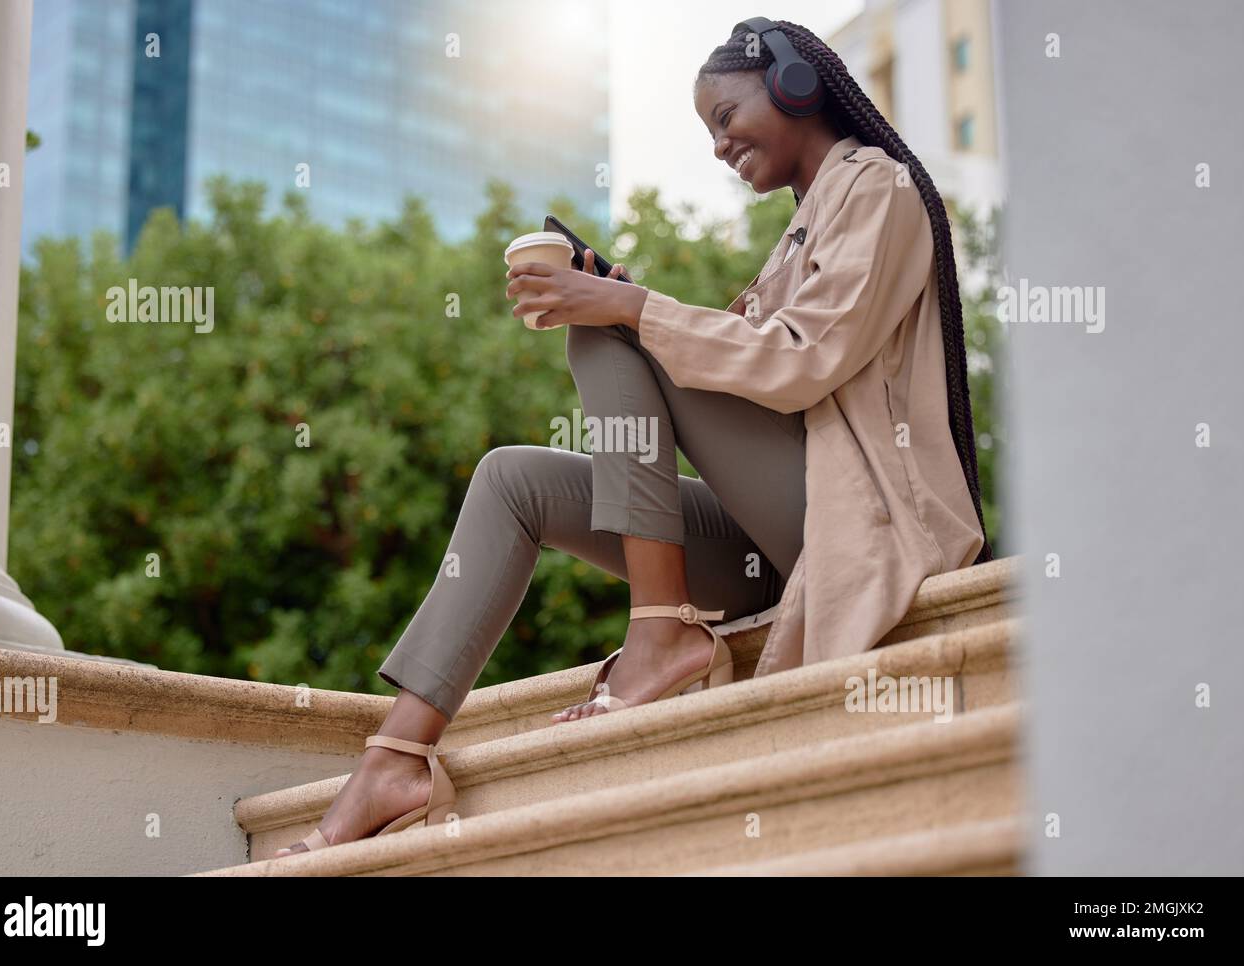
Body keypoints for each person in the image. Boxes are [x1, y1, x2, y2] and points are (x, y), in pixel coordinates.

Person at [275, 18, 990, 858]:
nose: (719, 145)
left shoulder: (879, 189)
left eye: (725, 117)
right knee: (514, 478)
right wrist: (623, 300)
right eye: (708, 131)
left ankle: (662, 634)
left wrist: (630, 311)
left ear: (796, 84)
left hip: (861, 517)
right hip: (788, 534)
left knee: (614, 329)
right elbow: (734, 371)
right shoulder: (802, 228)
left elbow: (799, 363)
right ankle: (396, 757)